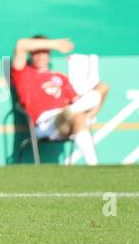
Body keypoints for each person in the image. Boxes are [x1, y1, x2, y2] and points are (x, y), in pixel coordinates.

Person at [9, 36, 108, 165]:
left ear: (49, 55)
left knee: (102, 87)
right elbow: (21, 45)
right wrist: (55, 44)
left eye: (44, 51)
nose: (40, 56)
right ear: (31, 55)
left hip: (68, 116)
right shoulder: (23, 73)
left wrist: (88, 110)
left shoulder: (60, 77)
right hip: (46, 124)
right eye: (36, 52)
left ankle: (80, 116)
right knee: (77, 114)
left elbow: (77, 99)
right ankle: (93, 164)